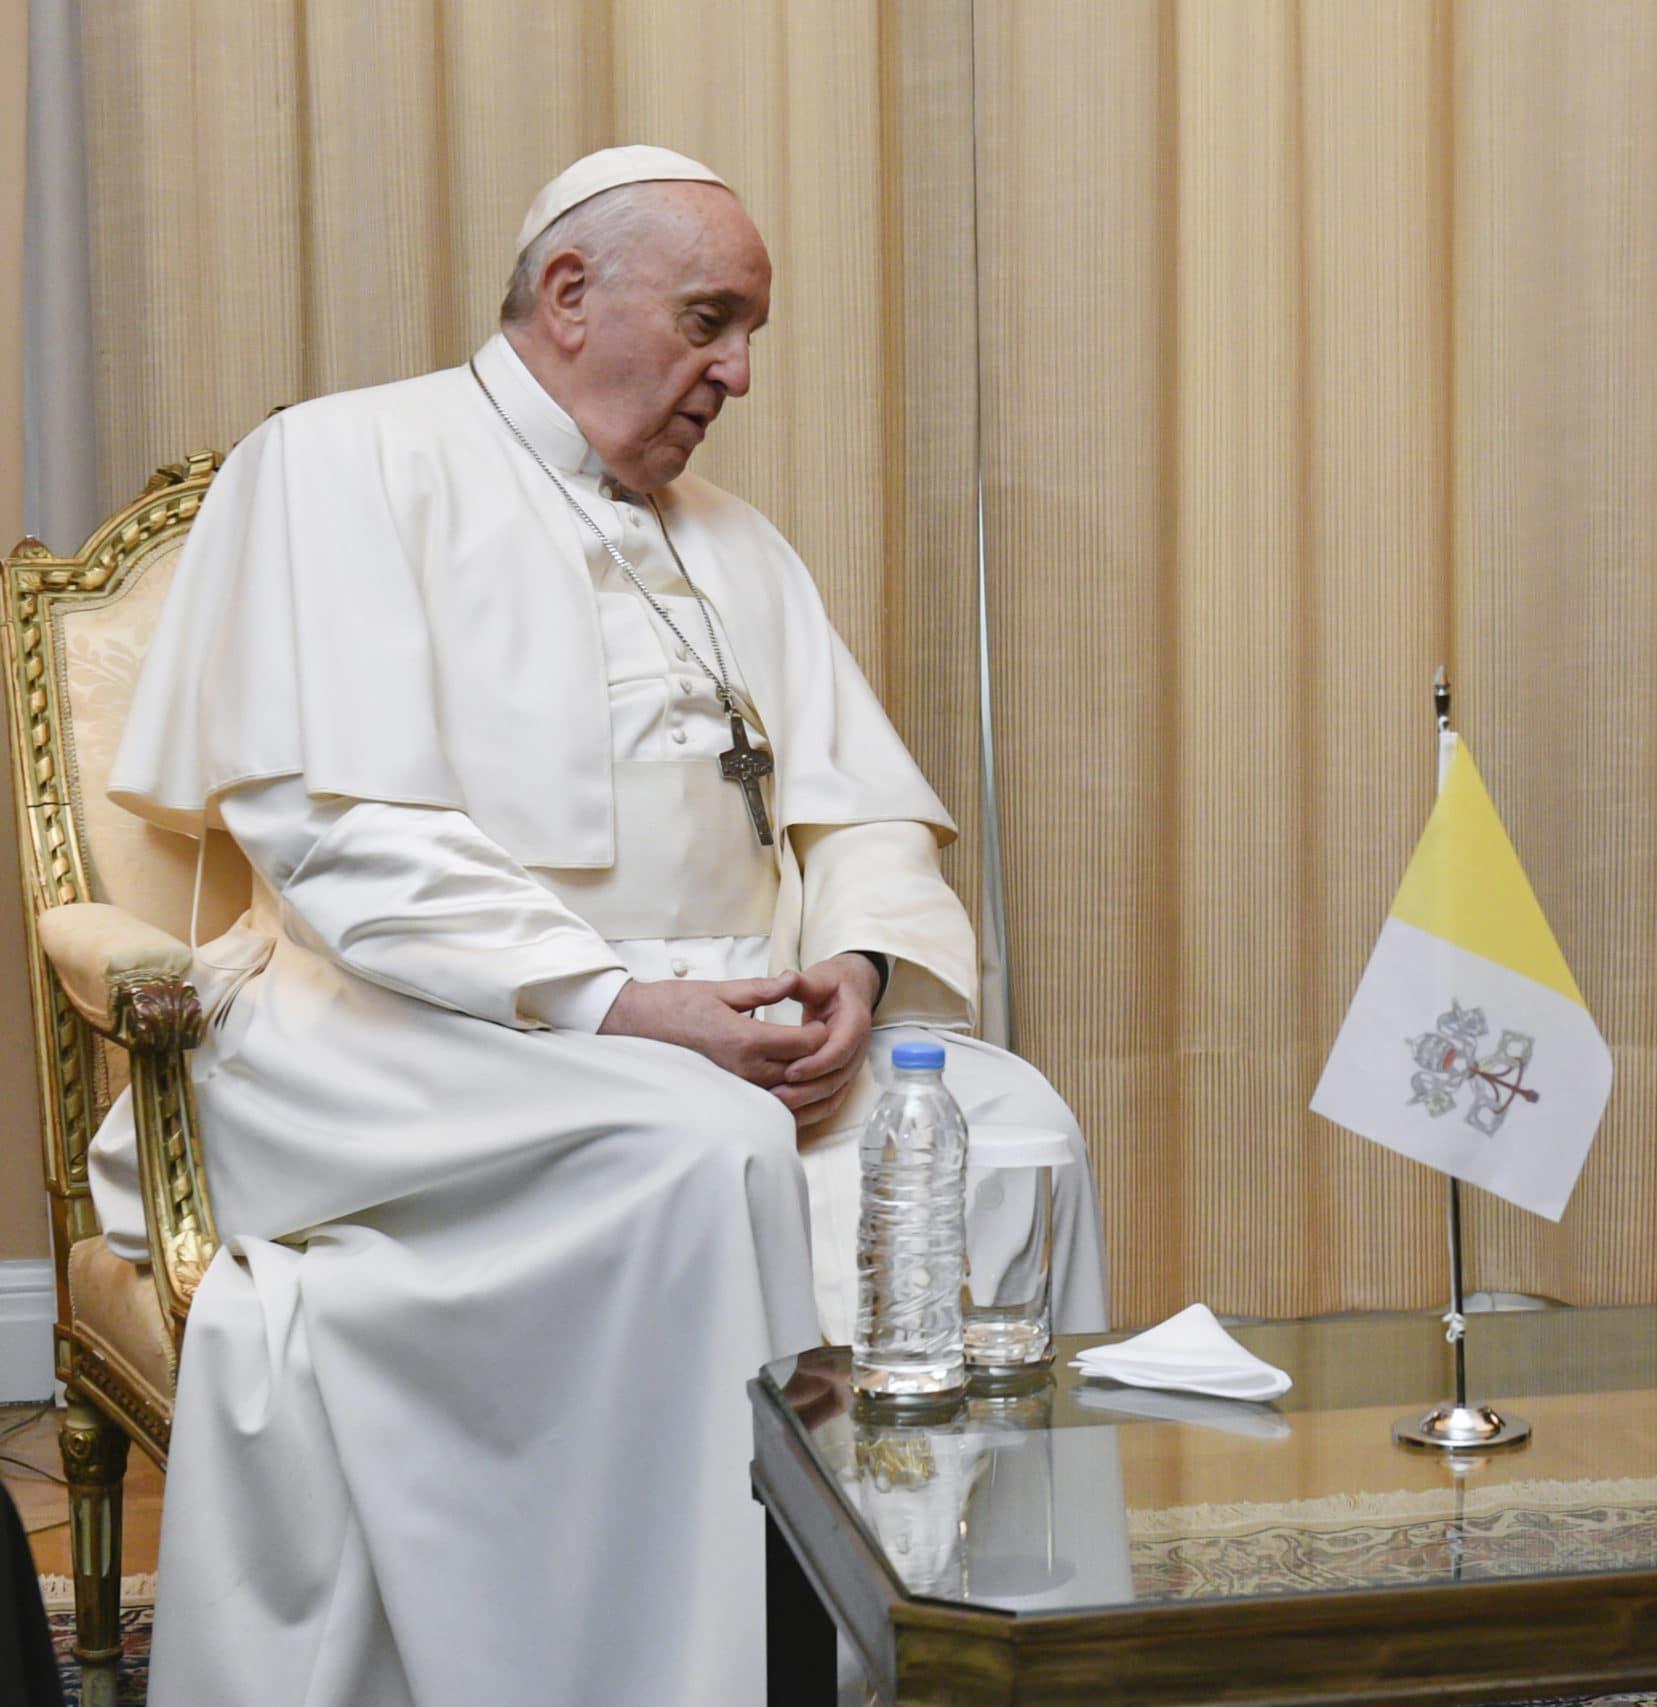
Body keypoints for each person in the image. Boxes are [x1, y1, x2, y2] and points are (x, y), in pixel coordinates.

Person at [92, 146, 1102, 1706]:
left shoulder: (735, 539)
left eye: (751, 332)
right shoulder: (341, 462)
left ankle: (968, 1654)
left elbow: (861, 815)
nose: (739, 374)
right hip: (405, 1024)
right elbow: (336, 838)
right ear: (570, 294)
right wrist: (626, 1010)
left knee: (1013, 1125)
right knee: (700, 1153)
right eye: (711, 321)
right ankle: (704, 1668)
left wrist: (855, 965)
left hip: (725, 1024)